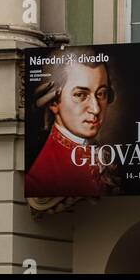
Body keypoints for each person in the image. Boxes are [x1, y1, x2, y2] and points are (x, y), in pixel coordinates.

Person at [24, 56, 116, 199]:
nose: (96, 109)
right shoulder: (41, 179)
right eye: (80, 95)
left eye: (101, 94)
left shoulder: (101, 152)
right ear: (54, 102)